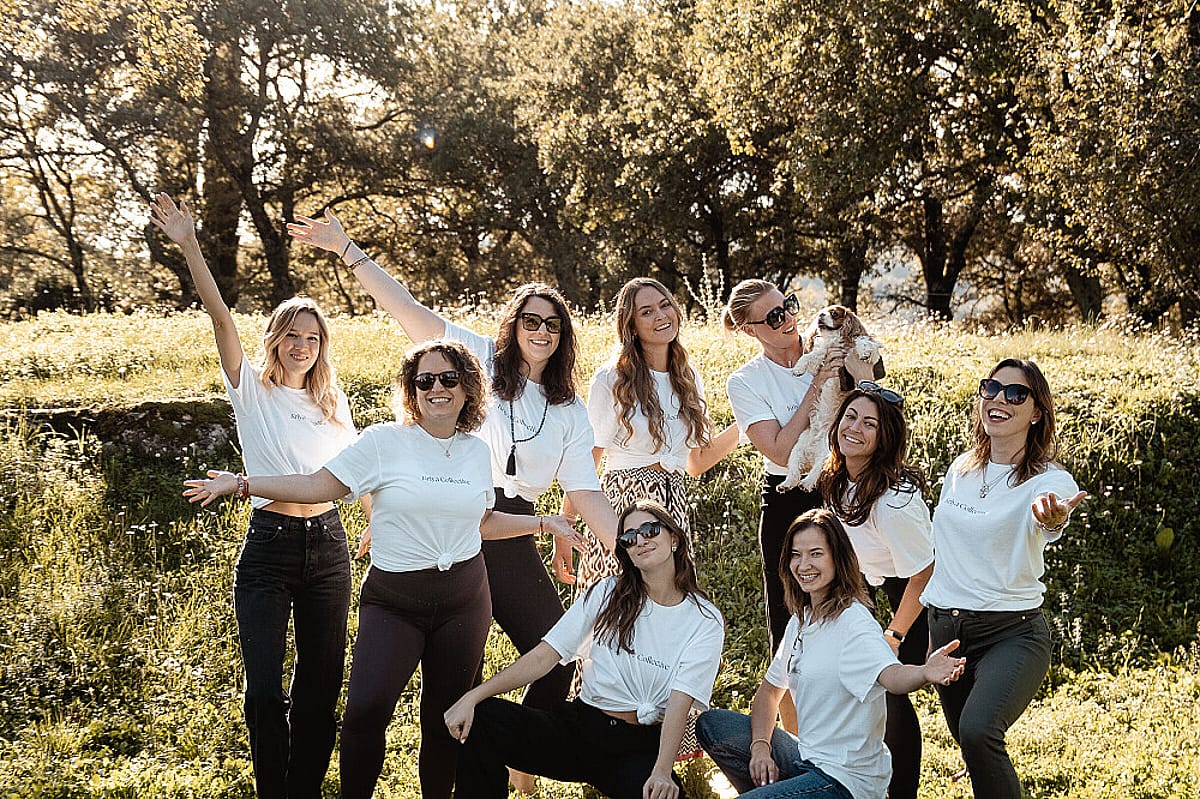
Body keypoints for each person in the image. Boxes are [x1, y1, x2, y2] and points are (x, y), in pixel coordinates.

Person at [183, 339, 580, 799]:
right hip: (395, 602)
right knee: (365, 713)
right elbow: (317, 484)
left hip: (464, 601)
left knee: (445, 720)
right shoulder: (382, 443)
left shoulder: (475, 451)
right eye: (425, 380)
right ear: (411, 391)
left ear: (468, 389)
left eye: (449, 378)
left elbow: (483, 521)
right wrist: (244, 483)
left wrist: (543, 521)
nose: (438, 388)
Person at [151, 193, 365, 799]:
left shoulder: (332, 403)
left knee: (321, 688)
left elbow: (358, 473)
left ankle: (304, 791)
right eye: (292, 335)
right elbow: (220, 316)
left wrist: (376, 523)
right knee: (265, 690)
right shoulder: (252, 390)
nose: (303, 345)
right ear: (275, 339)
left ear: (322, 346)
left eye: (313, 338)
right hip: (269, 549)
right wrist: (191, 244)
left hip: (329, 548)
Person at [445, 500, 725, 799]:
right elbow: (545, 656)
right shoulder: (607, 593)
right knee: (481, 718)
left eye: (650, 530)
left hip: (637, 747)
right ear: (626, 553)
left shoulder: (703, 619)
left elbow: (680, 703)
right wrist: (473, 697)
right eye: (629, 538)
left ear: (675, 539)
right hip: (581, 729)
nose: (640, 540)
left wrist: (662, 771)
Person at [696, 509, 966, 799]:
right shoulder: (801, 620)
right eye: (796, 555)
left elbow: (891, 675)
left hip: (844, 780)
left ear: (837, 559)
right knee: (713, 725)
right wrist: (760, 748)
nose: (803, 564)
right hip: (808, 757)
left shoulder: (854, 622)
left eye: (815, 554)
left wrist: (924, 672)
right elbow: (769, 693)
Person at [921, 359, 1087, 799]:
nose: (999, 400)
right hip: (945, 631)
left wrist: (1053, 520)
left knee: (978, 731)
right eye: (991, 388)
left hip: (1011, 632)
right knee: (969, 741)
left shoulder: (1047, 480)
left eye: (1016, 394)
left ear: (1036, 412)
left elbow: (1050, 518)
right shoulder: (960, 470)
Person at [721, 279, 879, 731]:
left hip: (842, 488)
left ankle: (860, 733)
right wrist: (817, 384)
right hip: (789, 499)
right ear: (750, 330)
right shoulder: (746, 381)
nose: (787, 318)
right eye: (772, 316)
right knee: (790, 627)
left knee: (854, 610)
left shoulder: (829, 343)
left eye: (788, 306)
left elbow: (872, 403)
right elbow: (776, 449)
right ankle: (796, 745)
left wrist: (855, 356)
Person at [573, 277, 739, 592]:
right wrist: (567, 529)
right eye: (646, 312)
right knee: (620, 606)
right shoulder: (613, 379)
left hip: (673, 502)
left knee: (667, 608)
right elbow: (587, 461)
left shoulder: (688, 379)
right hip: (623, 503)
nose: (661, 316)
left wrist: (745, 425)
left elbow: (695, 463)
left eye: (665, 305)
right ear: (632, 326)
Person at [816, 384, 933, 799]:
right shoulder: (839, 477)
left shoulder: (893, 501)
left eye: (870, 423)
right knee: (874, 694)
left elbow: (927, 572)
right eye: (851, 417)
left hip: (922, 597)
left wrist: (895, 635)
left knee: (892, 694)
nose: (856, 428)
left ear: (886, 438)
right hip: (874, 587)